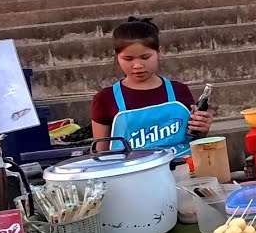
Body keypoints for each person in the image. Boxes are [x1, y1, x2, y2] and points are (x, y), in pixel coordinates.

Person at [90, 18, 211, 154]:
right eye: (128, 59)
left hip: (181, 170)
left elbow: (194, 139)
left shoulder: (179, 91)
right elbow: (101, 154)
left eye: (145, 57)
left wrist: (202, 128)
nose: (138, 65)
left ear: (159, 53)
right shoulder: (105, 99)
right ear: (117, 57)